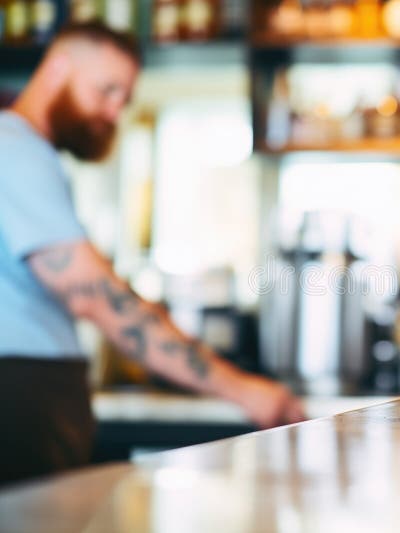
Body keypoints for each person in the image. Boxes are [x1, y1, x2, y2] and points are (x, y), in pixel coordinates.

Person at [0, 22, 304, 487]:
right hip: (20, 401)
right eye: (106, 90)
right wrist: (242, 388)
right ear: (58, 67)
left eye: (124, 99)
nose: (114, 110)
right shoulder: (16, 149)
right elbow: (96, 297)